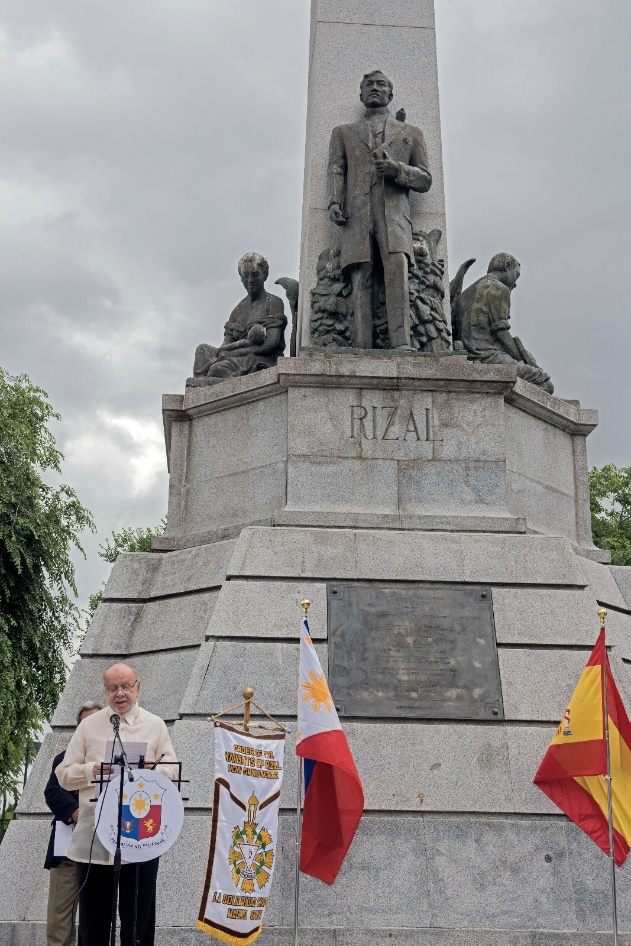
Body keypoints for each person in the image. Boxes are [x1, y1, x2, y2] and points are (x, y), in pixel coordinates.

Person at [56, 663, 178, 946]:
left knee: (138, 922)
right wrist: (90, 771)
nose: (120, 694)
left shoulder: (155, 725)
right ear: (106, 690)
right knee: (93, 923)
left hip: (141, 834)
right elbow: (63, 775)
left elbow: (173, 769)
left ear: (138, 687)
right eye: (112, 688)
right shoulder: (89, 726)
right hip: (95, 836)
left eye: (125, 687)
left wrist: (153, 771)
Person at [328, 70, 432, 350]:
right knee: (360, 274)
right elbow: (337, 169)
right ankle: (362, 345)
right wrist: (334, 202)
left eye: (381, 85)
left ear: (390, 94)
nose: (374, 88)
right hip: (356, 214)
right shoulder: (343, 133)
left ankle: (401, 342)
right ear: (360, 94)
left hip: (395, 215)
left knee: (397, 270)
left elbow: (425, 178)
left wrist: (397, 169)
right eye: (368, 85)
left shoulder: (411, 133)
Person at [451, 252, 554, 393]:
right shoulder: (499, 289)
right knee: (545, 382)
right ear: (507, 266)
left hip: (467, 353)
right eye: (516, 275)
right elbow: (501, 333)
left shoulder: (466, 293)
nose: (515, 283)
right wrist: (523, 360)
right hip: (488, 356)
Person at [44, 701, 102, 946]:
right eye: (85, 723)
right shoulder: (64, 758)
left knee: (95, 921)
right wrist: (77, 812)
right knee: (59, 921)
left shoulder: (116, 762)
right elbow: (53, 791)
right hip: (67, 852)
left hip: (100, 854)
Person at [193, 252, 287, 381]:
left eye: (255, 275)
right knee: (202, 350)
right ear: (240, 277)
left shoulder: (273, 302)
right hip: (234, 356)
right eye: (246, 275)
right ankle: (199, 387)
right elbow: (227, 341)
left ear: (264, 274)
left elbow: (271, 343)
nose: (250, 280)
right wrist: (222, 352)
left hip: (260, 358)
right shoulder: (237, 311)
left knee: (216, 369)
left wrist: (235, 352)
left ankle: (214, 382)